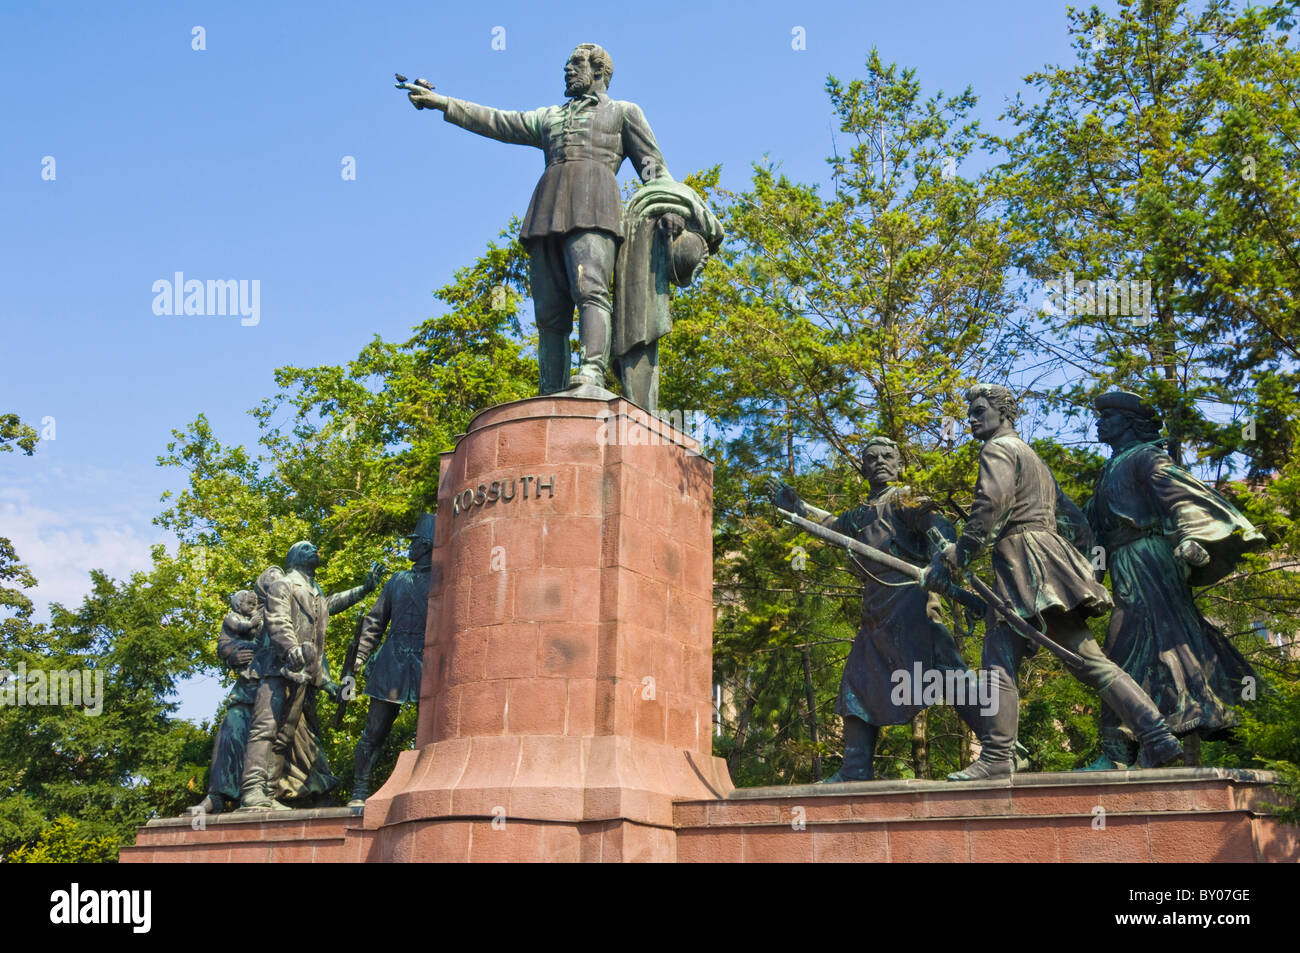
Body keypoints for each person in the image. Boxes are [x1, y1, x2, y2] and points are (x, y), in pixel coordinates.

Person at [926, 384, 1182, 779]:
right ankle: (1157, 733)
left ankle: (996, 757)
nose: (972, 420)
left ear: (1003, 414)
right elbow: (1076, 522)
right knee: (1088, 661)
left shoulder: (998, 449)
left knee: (999, 663)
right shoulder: (1033, 458)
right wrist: (1080, 569)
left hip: (1020, 562)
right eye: (970, 413)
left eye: (980, 411)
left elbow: (989, 506)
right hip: (1048, 564)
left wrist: (962, 551)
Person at [400, 44, 680, 400]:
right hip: (547, 211)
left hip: (595, 208)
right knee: (548, 309)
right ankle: (551, 387)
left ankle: (591, 372)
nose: (567, 70)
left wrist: (670, 205)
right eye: (567, 64)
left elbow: (653, 169)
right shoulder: (550, 117)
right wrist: (443, 103)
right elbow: (499, 121)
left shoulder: (624, 112)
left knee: (590, 290)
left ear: (599, 71)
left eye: (575, 64)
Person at [767, 437, 987, 781]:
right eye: (872, 457)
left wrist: (941, 558)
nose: (881, 461)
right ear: (864, 467)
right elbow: (836, 527)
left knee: (944, 672)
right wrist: (800, 508)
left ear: (899, 465)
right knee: (857, 680)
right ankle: (855, 767)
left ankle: (1001, 746)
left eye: (888, 456)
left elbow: (939, 525)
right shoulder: (863, 512)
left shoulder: (905, 497)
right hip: (877, 610)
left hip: (911, 598)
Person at [1083, 391, 1265, 767]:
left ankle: (1127, 744)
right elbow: (1092, 529)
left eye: (1108, 416)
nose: (1099, 423)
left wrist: (1189, 537)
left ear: (1129, 422)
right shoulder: (1112, 468)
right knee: (1160, 647)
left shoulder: (1146, 457)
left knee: (1126, 651)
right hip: (1125, 563)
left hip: (1148, 559)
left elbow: (1180, 497)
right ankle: (1150, 737)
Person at [238, 543, 378, 810]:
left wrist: (364, 589)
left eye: (315, 547)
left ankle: (268, 793)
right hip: (277, 669)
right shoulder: (283, 584)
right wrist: (290, 648)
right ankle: (251, 792)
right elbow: (279, 622)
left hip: (303, 675)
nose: (315, 550)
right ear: (293, 558)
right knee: (265, 730)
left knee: (285, 736)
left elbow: (331, 604)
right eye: (307, 548)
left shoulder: (316, 591)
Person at [348, 514, 434, 807]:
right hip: (392, 663)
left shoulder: (442, 581)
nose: (409, 548)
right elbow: (375, 621)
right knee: (375, 729)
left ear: (425, 545)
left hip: (425, 663)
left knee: (429, 731)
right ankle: (360, 789)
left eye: (413, 544)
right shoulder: (398, 580)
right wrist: (360, 655)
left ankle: (421, 785)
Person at [187, 589, 264, 815]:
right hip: (248, 685)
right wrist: (232, 653)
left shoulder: (287, 607)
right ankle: (218, 794)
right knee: (230, 731)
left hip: (281, 686)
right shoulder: (246, 617)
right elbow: (224, 646)